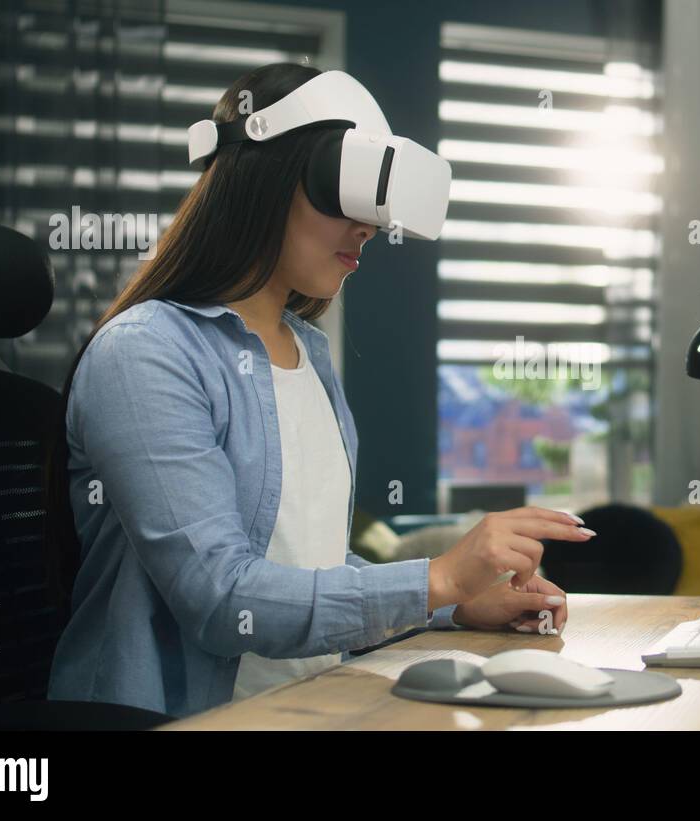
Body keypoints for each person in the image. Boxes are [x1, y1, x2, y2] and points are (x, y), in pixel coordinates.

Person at [44, 63, 593, 718]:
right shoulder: (145, 353)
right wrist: (435, 575)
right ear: (265, 181)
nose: (367, 227)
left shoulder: (309, 351)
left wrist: (454, 602)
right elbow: (222, 598)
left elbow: (304, 562)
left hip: (308, 704)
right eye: (345, 191)